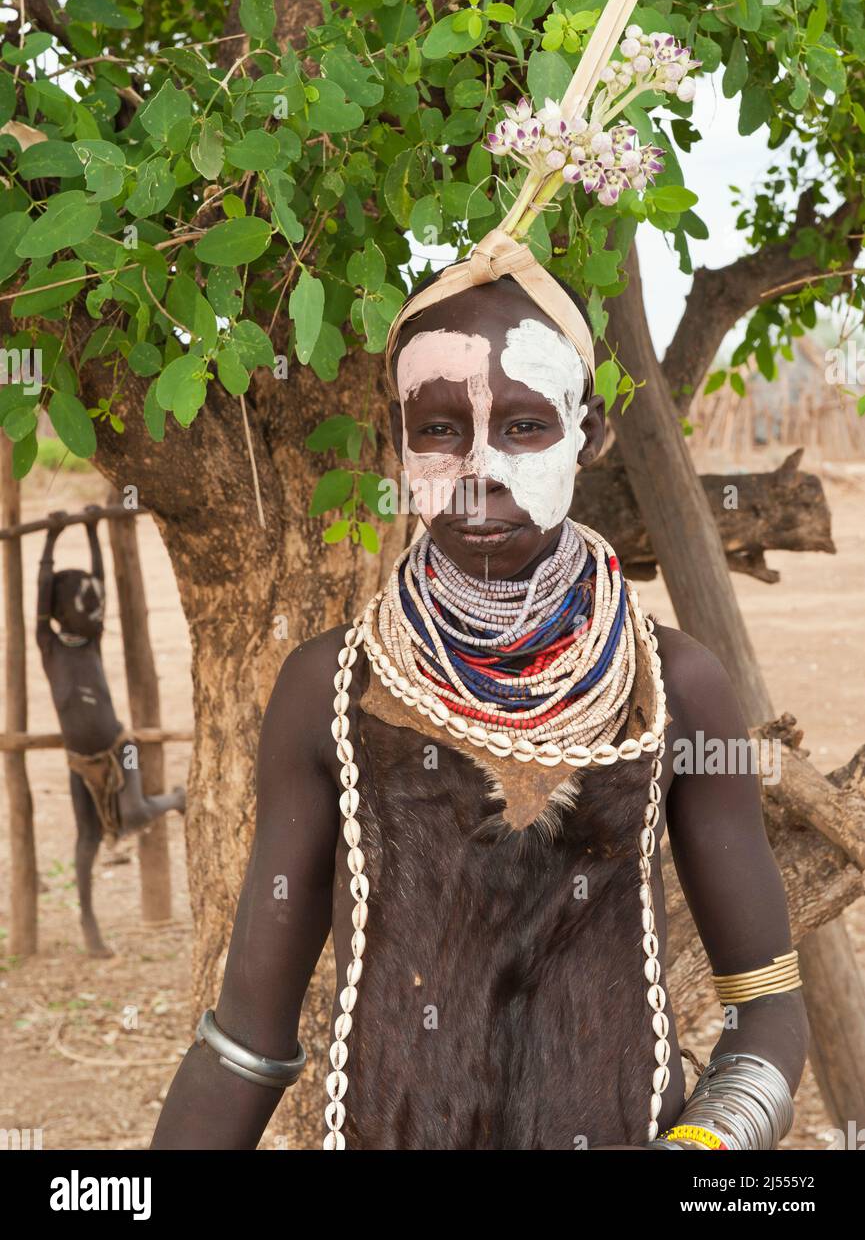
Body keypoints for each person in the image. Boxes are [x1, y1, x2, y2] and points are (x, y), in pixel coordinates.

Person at [152, 233, 808, 1151]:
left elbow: (766, 1011)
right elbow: (245, 1044)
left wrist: (705, 1148)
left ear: (588, 435)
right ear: (399, 444)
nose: (479, 472)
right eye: (439, 430)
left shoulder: (671, 690)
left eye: (525, 427)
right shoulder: (332, 691)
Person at [37, 506, 186, 957]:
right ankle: (88, 920)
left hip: (122, 750)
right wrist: (51, 539)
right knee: (87, 840)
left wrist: (91, 530)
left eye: (95, 601)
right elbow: (41, 594)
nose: (94, 605)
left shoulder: (94, 638)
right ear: (61, 612)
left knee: (136, 812)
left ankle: (177, 800)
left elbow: (99, 581)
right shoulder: (49, 645)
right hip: (81, 763)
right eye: (84, 602)